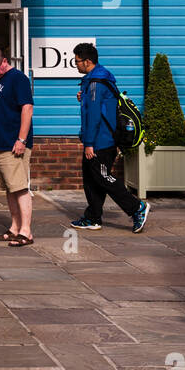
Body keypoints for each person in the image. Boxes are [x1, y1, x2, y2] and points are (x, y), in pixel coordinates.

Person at [70, 43, 149, 233]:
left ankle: (137, 208)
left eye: (77, 61)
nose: (76, 65)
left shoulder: (96, 82)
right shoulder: (96, 80)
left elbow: (95, 116)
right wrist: (85, 98)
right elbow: (101, 105)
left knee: (103, 177)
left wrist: (89, 144)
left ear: (87, 61)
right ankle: (93, 217)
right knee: (91, 179)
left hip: (101, 141)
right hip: (99, 139)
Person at [0, 47, 35, 246]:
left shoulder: (18, 78)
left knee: (19, 187)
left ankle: (26, 231)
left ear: (4, 61)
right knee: (10, 188)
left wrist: (21, 140)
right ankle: (14, 228)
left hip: (13, 143)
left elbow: (27, 108)